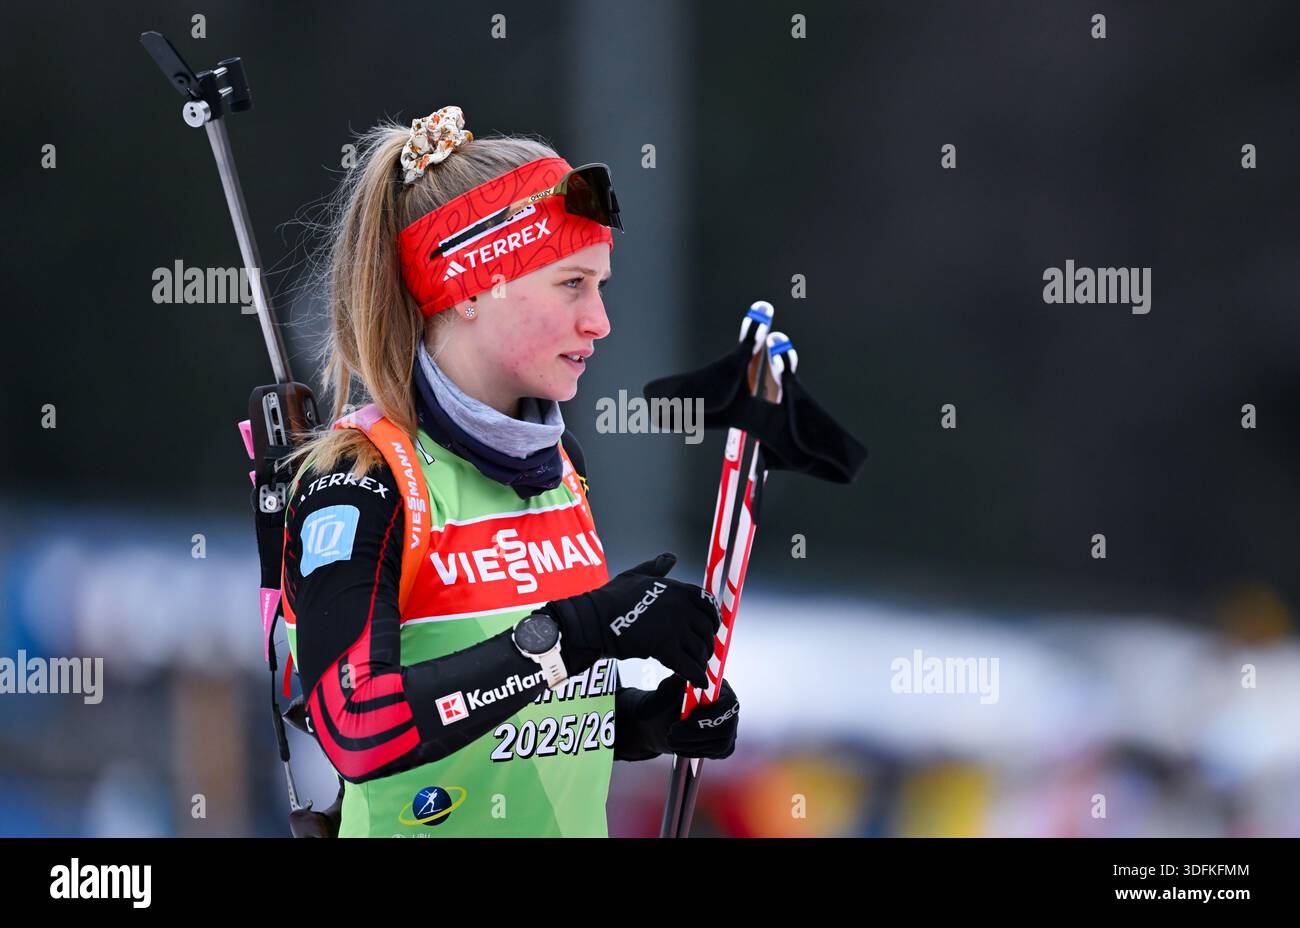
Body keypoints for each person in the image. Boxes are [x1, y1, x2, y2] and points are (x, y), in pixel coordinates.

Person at [278, 106, 740, 837]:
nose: (599, 321)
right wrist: (581, 628)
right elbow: (357, 726)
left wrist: (649, 724)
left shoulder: (556, 465)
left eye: (602, 286)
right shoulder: (365, 480)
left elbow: (518, 714)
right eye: (571, 284)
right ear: (469, 288)